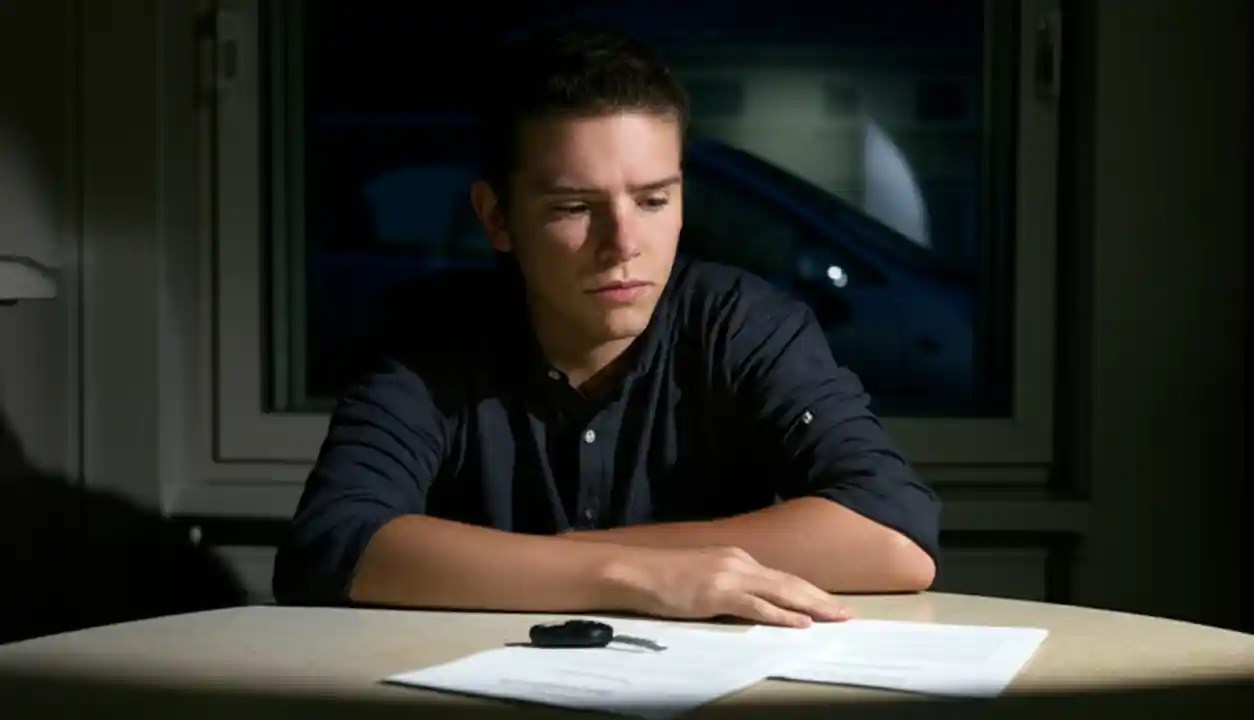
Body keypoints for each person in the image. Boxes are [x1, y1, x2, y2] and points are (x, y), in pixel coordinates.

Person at [273, 25, 940, 628]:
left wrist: (566, 558)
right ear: (497, 218)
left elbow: (895, 532)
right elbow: (332, 543)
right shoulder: (431, 336)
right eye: (573, 206)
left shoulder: (742, 324)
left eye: (653, 199)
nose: (623, 241)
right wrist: (639, 575)